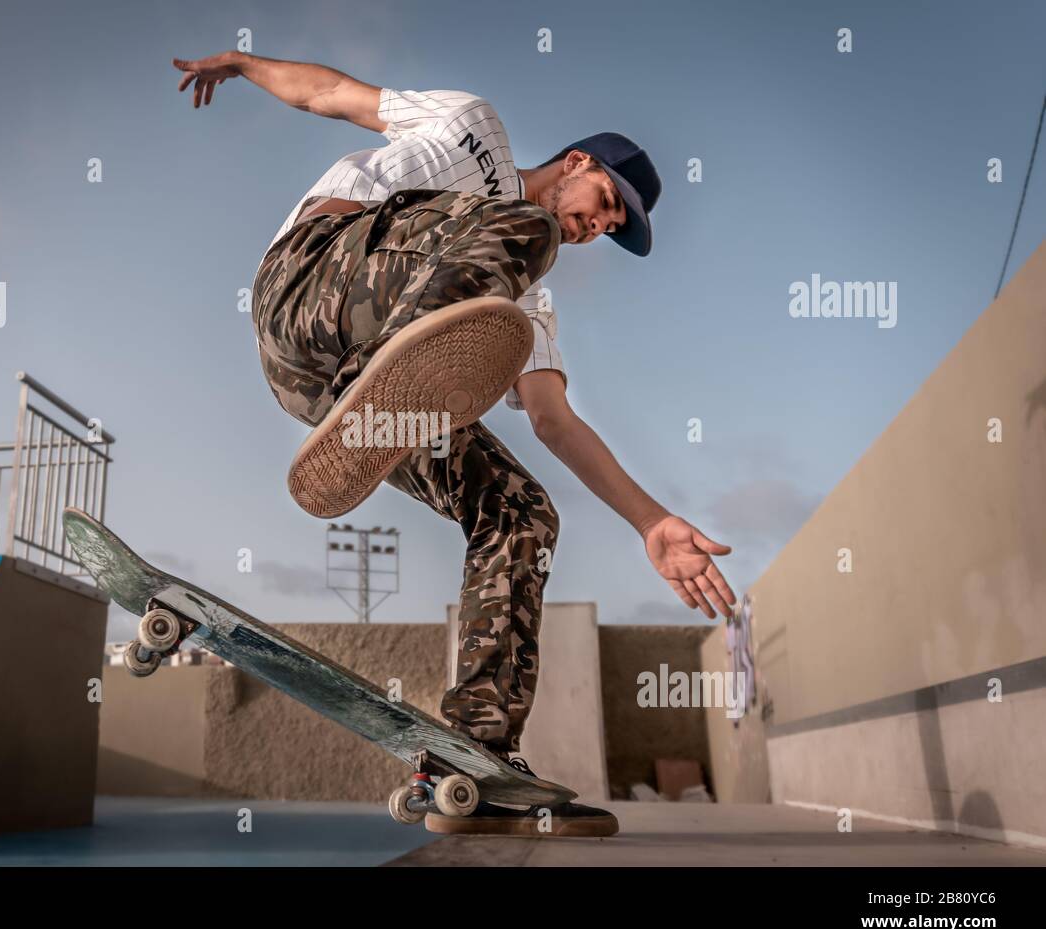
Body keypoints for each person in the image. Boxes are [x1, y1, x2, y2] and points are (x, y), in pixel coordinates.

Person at [174, 51, 736, 833]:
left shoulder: (529, 298)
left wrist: (650, 522)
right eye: (604, 202)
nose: (596, 227)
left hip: (324, 393)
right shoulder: (474, 129)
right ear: (576, 162)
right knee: (525, 227)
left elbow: (554, 420)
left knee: (522, 512)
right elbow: (333, 95)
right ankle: (398, 362)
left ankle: (476, 757)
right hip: (311, 286)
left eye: (610, 229)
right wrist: (242, 62)